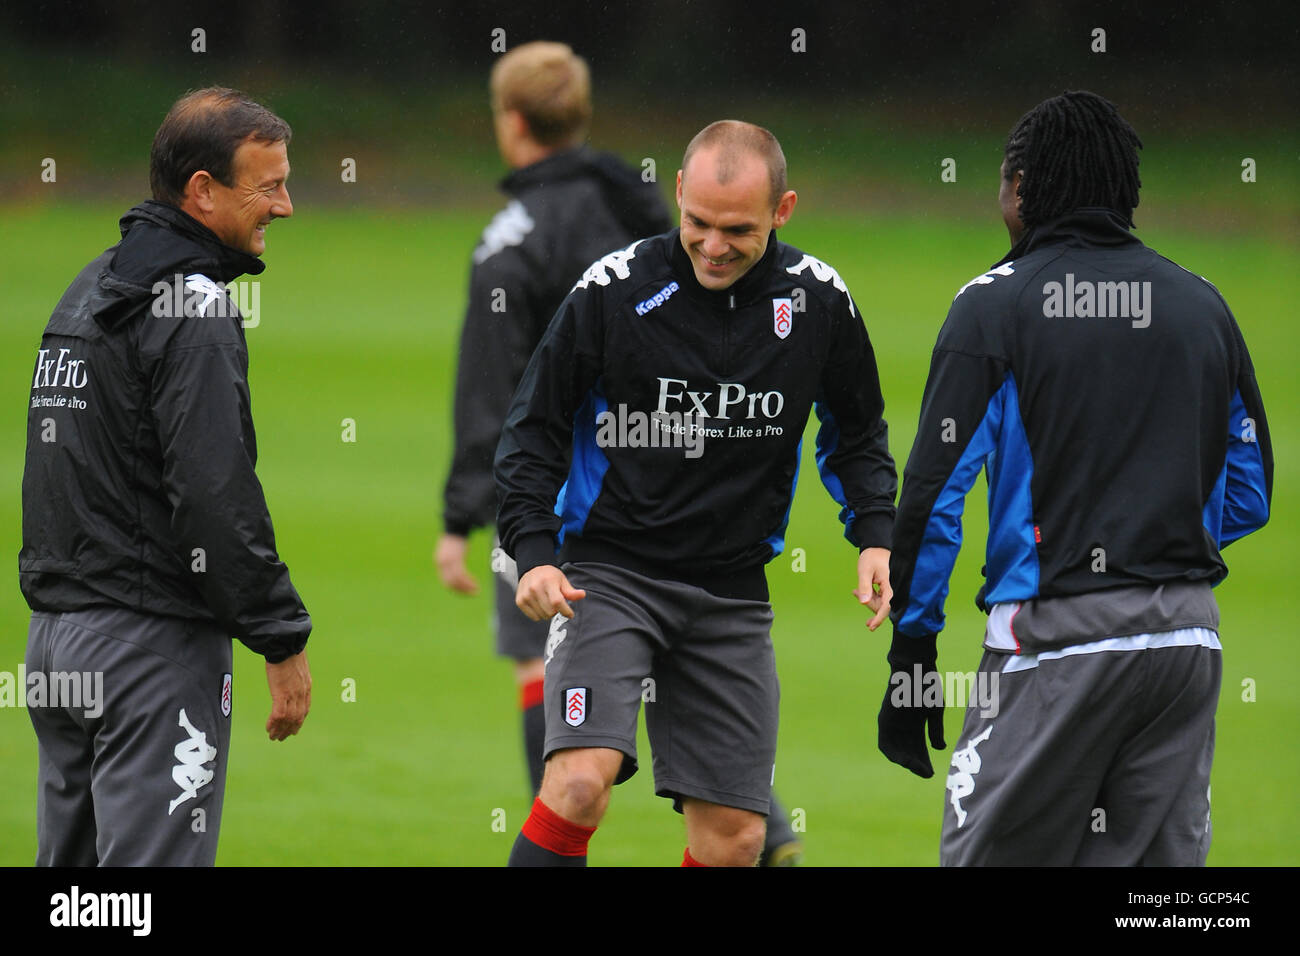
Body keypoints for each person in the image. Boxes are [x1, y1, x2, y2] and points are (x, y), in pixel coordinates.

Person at [877, 90, 1272, 865]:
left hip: (1055, 642)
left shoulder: (994, 304)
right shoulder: (1202, 304)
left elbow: (933, 495)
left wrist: (912, 655)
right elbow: (1248, 490)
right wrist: (1146, 533)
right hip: (1187, 643)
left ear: (1021, 188)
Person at [496, 119, 897, 866]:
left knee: (737, 840)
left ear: (783, 211)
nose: (713, 246)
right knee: (581, 783)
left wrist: (875, 533)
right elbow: (533, 429)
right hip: (607, 579)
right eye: (698, 223)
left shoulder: (818, 302)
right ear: (678, 192)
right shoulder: (614, 291)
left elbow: (859, 431)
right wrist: (535, 552)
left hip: (731, 594)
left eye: (737, 230)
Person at [20, 87, 312, 866]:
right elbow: (213, 494)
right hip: (146, 648)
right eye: (269, 185)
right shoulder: (194, 305)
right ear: (202, 192)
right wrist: (279, 634)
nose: (286, 206)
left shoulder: (88, 288)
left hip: (56, 645)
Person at [436, 40, 672, 799]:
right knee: (682, 656)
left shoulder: (513, 239)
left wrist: (460, 514)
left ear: (512, 121)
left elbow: (492, 389)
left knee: (545, 654)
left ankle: (556, 835)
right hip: (662, 470)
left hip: (555, 485)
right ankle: (761, 827)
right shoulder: (641, 213)